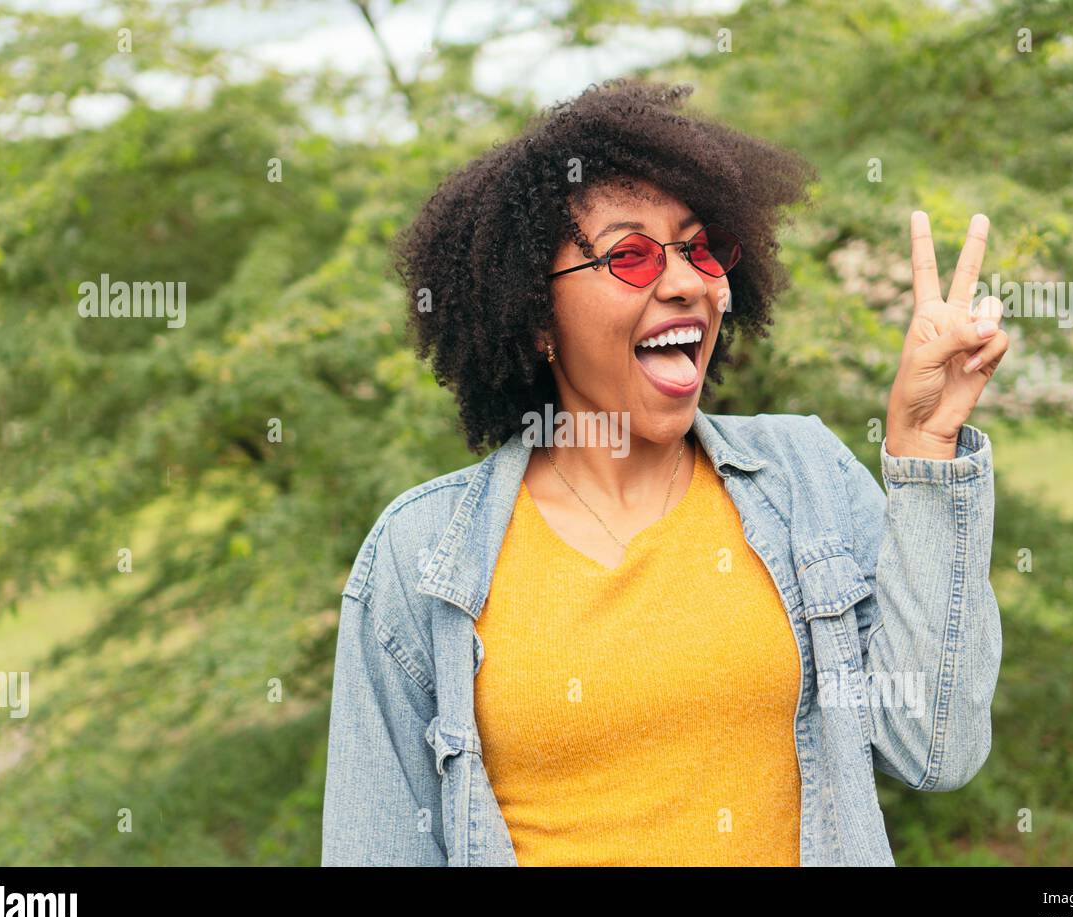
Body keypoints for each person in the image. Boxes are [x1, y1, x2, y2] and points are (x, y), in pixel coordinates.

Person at [322, 78, 1007, 866]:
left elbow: (934, 743)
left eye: (699, 247)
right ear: (538, 318)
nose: (686, 281)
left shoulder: (804, 477)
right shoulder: (420, 556)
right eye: (631, 256)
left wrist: (924, 450)